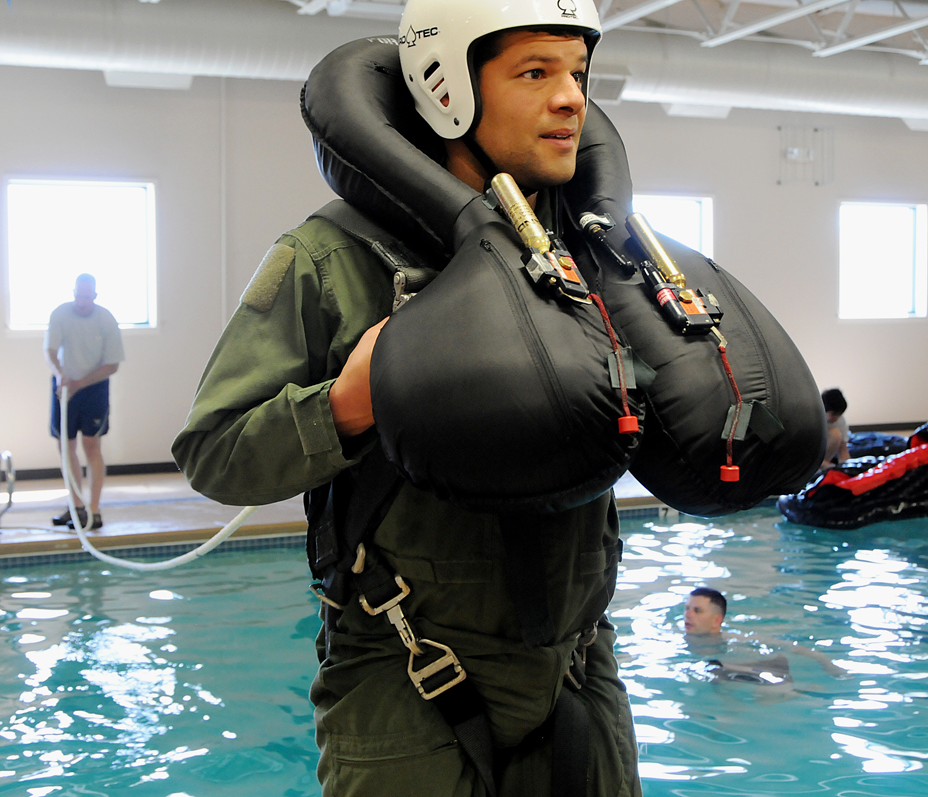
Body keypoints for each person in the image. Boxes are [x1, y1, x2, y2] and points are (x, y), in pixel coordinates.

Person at [173, 2, 640, 795]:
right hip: (410, 681)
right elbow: (215, 452)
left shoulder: (590, 252)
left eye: (578, 74)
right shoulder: (331, 256)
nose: (572, 99)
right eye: (536, 73)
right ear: (448, 87)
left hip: (579, 673)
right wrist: (344, 406)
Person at [45, 273, 124, 530]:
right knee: (65, 447)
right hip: (65, 387)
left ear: (95, 296)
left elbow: (112, 365)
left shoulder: (105, 320)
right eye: (79, 296)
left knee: (91, 447)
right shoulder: (60, 314)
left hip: (93, 388)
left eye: (87, 297)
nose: (82, 302)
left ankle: (94, 510)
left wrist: (81, 383)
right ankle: (76, 505)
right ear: (74, 293)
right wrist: (60, 375)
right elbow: (50, 351)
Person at [682, 587, 848, 686]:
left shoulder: (737, 640)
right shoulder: (678, 639)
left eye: (697, 611)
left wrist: (828, 664)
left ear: (716, 620)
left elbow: (792, 647)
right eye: (687, 608)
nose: (687, 615)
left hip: (768, 670)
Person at [821, 388, 850, 469]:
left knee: (836, 433)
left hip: (824, 457)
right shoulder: (813, 418)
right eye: (834, 414)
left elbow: (843, 449)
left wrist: (847, 468)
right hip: (808, 456)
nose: (836, 418)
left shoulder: (840, 421)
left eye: (838, 415)